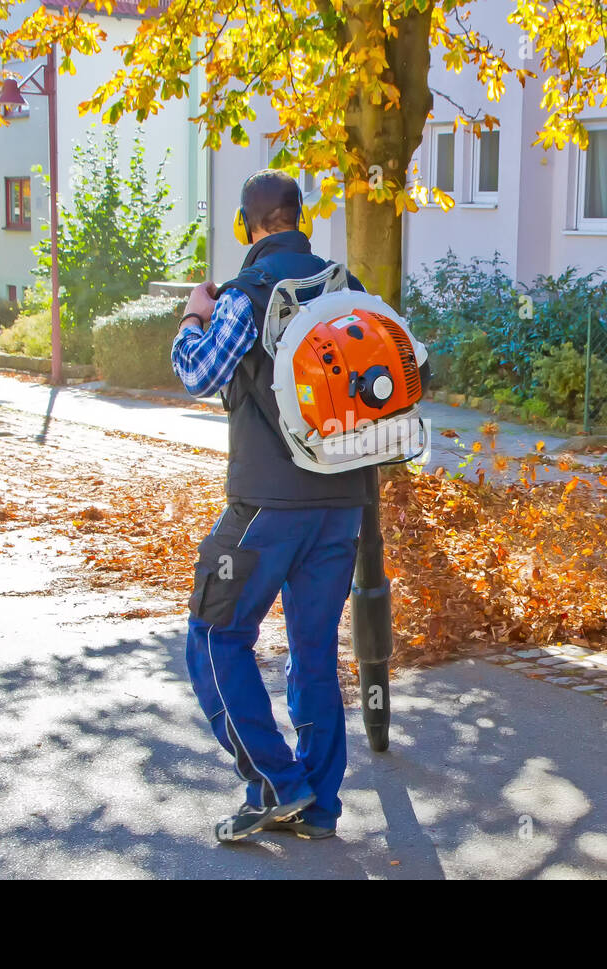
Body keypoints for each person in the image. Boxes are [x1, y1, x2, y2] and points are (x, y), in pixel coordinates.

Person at [172, 169, 370, 843]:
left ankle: (274, 783)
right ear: (297, 217)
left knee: (214, 632)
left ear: (249, 227)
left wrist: (194, 315)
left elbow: (199, 374)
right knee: (314, 652)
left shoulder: (247, 294)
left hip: (266, 507)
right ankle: (317, 805)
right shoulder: (349, 287)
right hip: (342, 503)